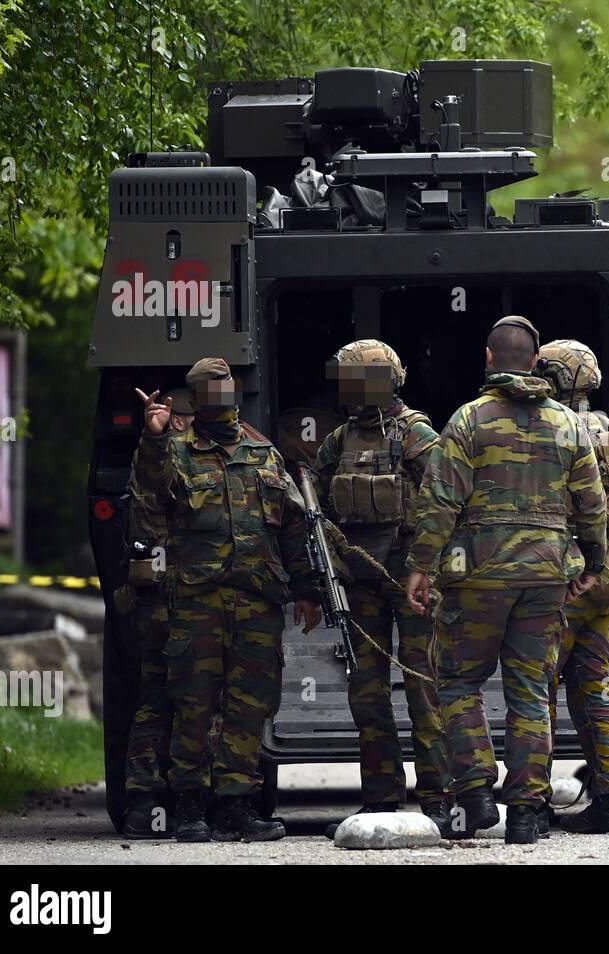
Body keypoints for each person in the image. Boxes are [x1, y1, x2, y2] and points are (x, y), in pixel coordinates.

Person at [405, 316, 607, 844]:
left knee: (458, 682)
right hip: (544, 577)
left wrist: (421, 566)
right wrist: (593, 561)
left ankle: (474, 794)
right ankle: (523, 814)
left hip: (478, 576)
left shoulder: (468, 421)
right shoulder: (568, 424)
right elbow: (593, 502)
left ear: (490, 358)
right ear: (535, 362)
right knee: (531, 691)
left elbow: (440, 500)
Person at [134, 359, 322, 843]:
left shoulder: (264, 453)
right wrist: (154, 437)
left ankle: (234, 805)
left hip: (257, 600)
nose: (221, 400)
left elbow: (294, 527)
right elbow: (154, 491)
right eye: (210, 392)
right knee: (195, 703)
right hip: (197, 602)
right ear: (194, 402)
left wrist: (307, 591)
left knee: (249, 705)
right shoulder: (175, 452)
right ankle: (190, 804)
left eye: (227, 390)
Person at [313, 339, 452, 834]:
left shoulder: (415, 434)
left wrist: (430, 567)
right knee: (366, 695)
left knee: (424, 688)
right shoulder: (339, 440)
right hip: (361, 581)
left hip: (409, 578)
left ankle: (439, 796)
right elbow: (318, 508)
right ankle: (380, 798)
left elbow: (443, 501)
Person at [536, 340, 609, 834]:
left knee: (538, 688)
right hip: (608, 575)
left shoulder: (551, 430)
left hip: (565, 577)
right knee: (597, 685)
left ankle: (531, 802)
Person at [116, 388, 194, 838]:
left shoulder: (165, 457)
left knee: (166, 699)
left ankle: (158, 801)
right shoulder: (163, 458)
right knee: (167, 698)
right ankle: (149, 801)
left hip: (177, 598)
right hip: (168, 599)